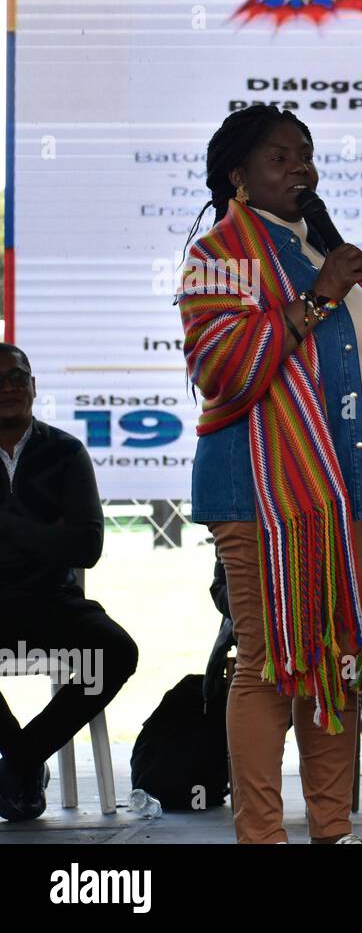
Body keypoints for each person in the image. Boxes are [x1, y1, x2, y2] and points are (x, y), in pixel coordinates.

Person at [178, 106, 362, 844]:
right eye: (280, 159)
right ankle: (261, 833)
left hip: (351, 488)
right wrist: (317, 298)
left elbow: (351, 359)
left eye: (306, 156)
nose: (300, 170)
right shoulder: (222, 254)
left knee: (340, 658)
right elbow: (222, 370)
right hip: (262, 495)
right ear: (238, 178)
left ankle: (332, 828)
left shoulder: (318, 244)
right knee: (268, 665)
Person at [0, 344, 139, 821]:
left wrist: (7, 527)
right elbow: (67, 540)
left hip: (53, 601)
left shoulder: (65, 452)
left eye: (18, 377)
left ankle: (19, 758)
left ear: (34, 387)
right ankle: (20, 760)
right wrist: (48, 534)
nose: (9, 388)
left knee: (118, 651)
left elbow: (87, 549)